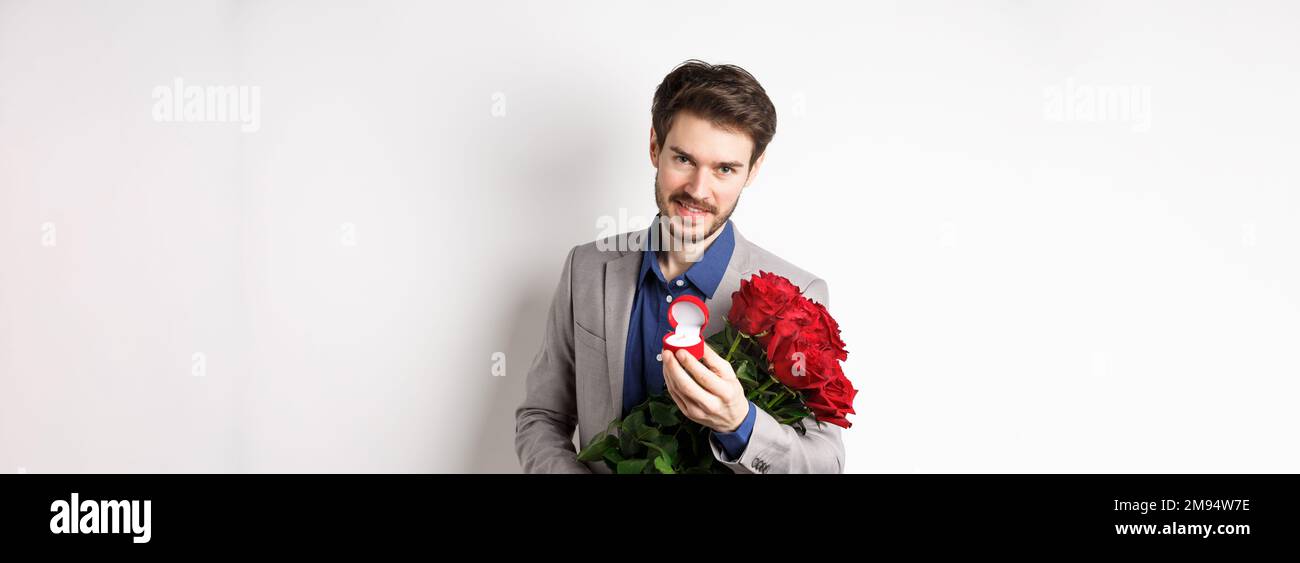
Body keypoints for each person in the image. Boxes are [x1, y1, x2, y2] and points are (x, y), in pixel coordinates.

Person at [515, 60, 844, 474]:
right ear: (655, 146)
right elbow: (541, 416)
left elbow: (824, 464)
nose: (698, 190)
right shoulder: (585, 266)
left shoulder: (799, 295)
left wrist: (739, 424)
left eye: (725, 169)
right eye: (684, 159)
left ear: (753, 170)